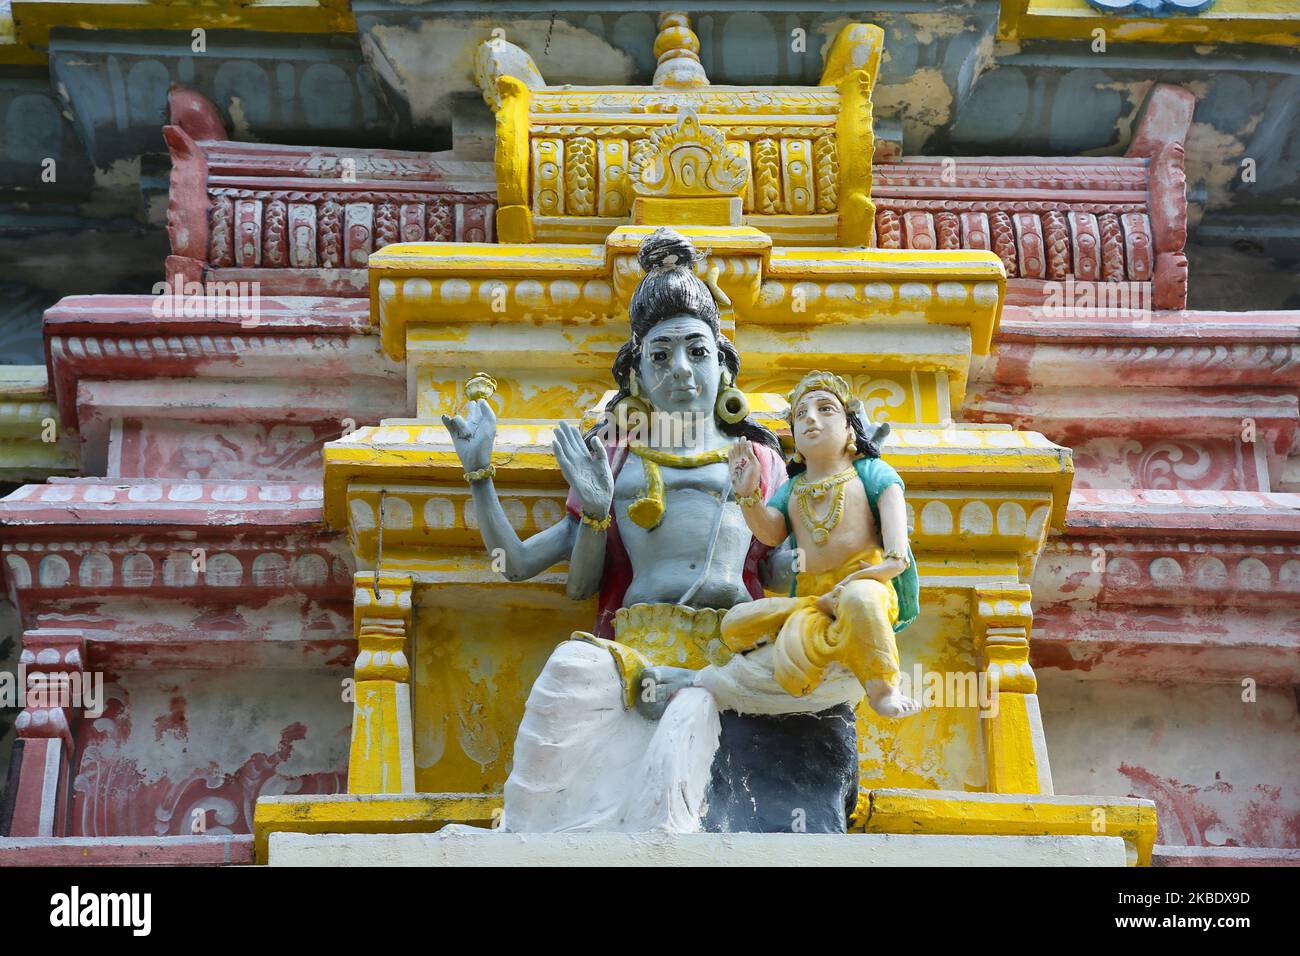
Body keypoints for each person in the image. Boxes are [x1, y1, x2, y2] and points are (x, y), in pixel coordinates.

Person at [721, 370, 921, 718]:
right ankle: (818, 633)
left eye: (826, 409)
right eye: (801, 414)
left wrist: (854, 583)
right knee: (734, 622)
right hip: (812, 601)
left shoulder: (874, 474)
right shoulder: (792, 489)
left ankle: (883, 688)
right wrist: (749, 494)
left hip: (867, 585)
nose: (811, 418)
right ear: (795, 437)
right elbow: (770, 534)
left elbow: (897, 559)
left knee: (861, 602)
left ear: (849, 428)